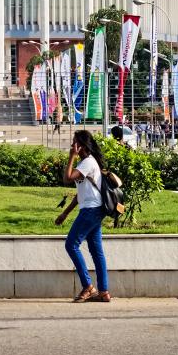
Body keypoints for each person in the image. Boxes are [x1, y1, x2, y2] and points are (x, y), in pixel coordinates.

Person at [55, 130, 111, 303]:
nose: (72, 145)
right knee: (96, 251)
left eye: (75, 142)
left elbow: (67, 178)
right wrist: (65, 213)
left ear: (82, 146)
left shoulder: (87, 163)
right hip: (92, 209)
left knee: (71, 245)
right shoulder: (86, 163)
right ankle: (103, 292)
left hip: (91, 210)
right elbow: (80, 194)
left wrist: (71, 156)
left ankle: (88, 287)